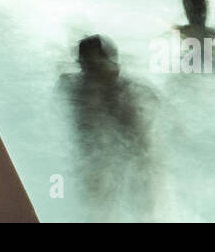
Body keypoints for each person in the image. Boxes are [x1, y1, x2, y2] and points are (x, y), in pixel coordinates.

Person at [56, 35, 158, 218]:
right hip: (94, 158)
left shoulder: (123, 95)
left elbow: (141, 150)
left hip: (119, 160)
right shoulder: (75, 86)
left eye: (95, 66)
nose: (90, 73)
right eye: (85, 66)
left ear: (109, 63)